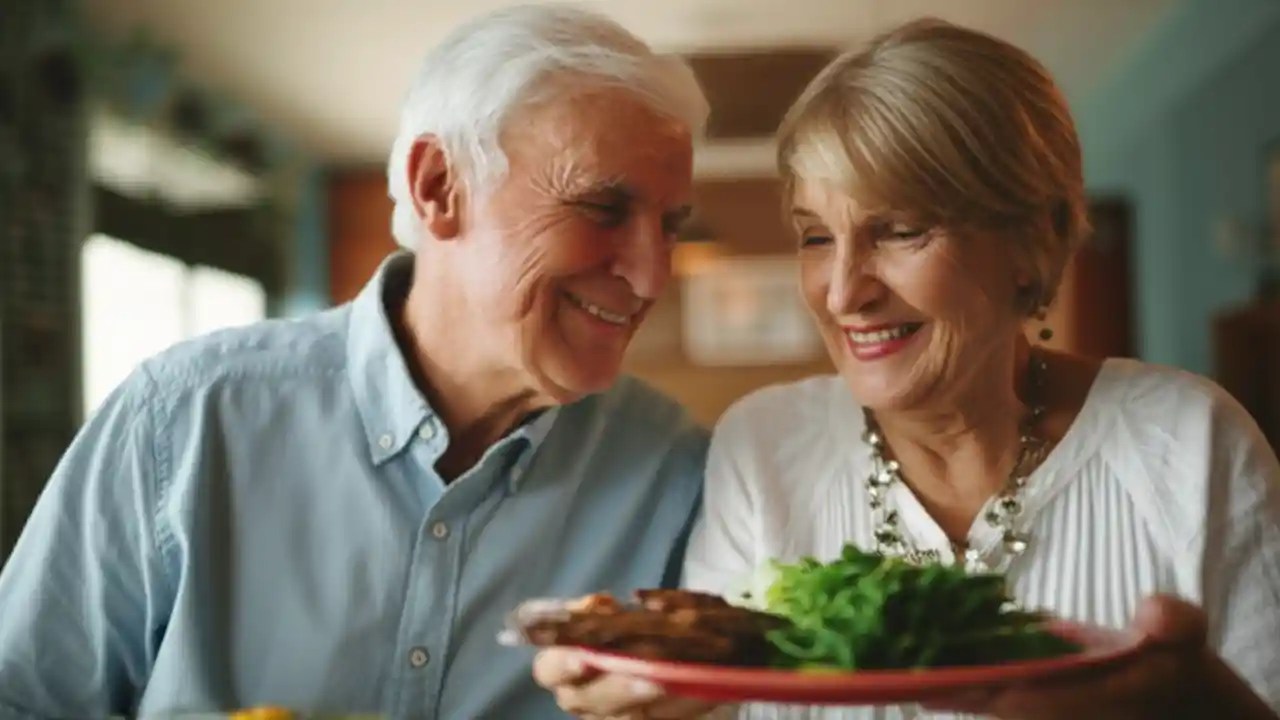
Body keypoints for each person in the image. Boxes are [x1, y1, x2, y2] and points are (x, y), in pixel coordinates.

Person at [533, 18, 1280, 720]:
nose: (844, 291)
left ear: (1034, 241)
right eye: (817, 237)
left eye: (899, 230)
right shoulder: (765, 446)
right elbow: (713, 692)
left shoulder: (1189, 442)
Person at [0, 5, 712, 718]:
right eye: (601, 207)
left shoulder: (676, 470)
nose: (653, 277)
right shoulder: (182, 418)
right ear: (439, 186)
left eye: (670, 226)